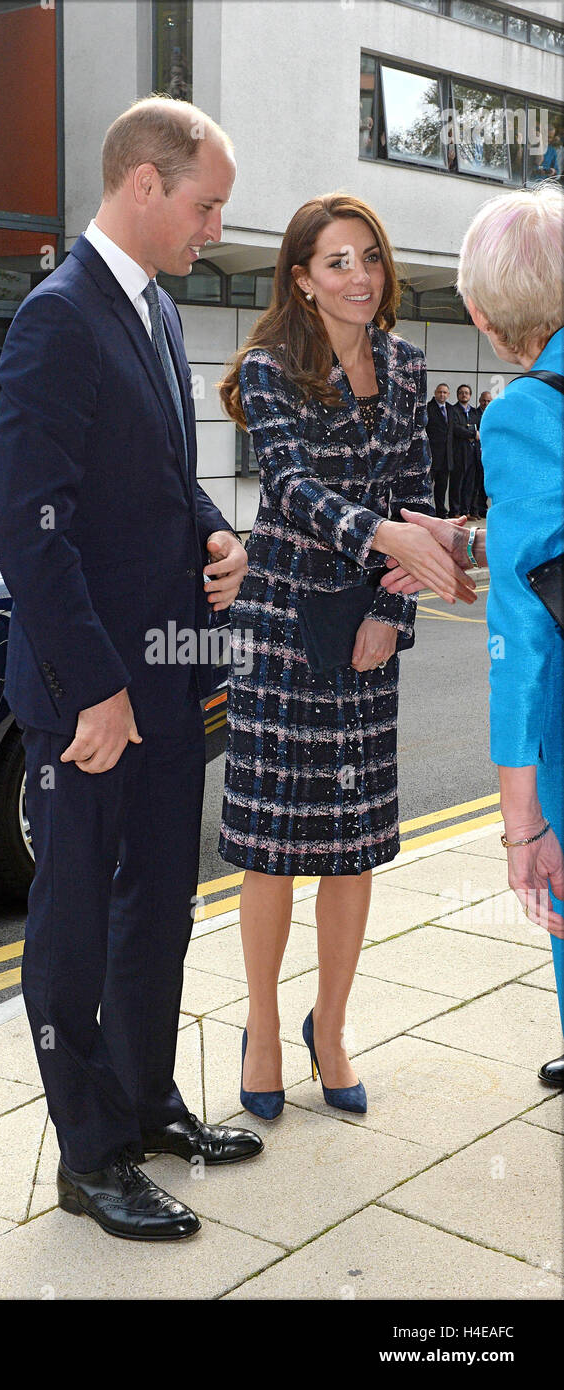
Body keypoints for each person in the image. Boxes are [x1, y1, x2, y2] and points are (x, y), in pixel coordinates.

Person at [0, 96, 262, 1244]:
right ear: (144, 185)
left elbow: (156, 474)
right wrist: (95, 686)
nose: (211, 230)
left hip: (163, 681)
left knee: (162, 906)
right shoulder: (57, 317)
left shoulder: (147, 313)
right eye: (206, 207)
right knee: (73, 931)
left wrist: (219, 536)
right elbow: (28, 527)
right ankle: (90, 1158)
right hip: (91, 699)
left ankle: (147, 1106)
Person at [216, 193, 475, 1121]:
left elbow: (413, 494)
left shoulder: (407, 368)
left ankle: (330, 1027)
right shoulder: (268, 368)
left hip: (366, 630)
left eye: (368, 257)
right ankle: (257, 1023)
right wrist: (390, 543)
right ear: (300, 278)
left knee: (353, 845)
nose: (358, 275)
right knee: (274, 845)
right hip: (281, 626)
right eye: (335, 261)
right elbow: (286, 488)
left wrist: (391, 612)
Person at [381, 183, 564, 1089]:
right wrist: (479, 539)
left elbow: (523, 633)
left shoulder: (525, 410)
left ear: (488, 319)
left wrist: (520, 823)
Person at [449, 382, 479, 517]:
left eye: (466, 393)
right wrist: (472, 434)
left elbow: (478, 429)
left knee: (469, 484)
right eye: (461, 393)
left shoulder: (474, 412)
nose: (464, 395)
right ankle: (455, 511)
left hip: (472, 453)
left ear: (470, 395)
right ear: (457, 395)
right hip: (459, 452)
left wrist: (473, 433)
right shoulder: (453, 410)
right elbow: (456, 429)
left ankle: (465, 512)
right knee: (457, 483)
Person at [426, 381, 453, 517]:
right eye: (439, 392)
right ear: (435, 393)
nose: (442, 394)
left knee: (442, 487)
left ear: (448, 395)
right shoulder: (428, 408)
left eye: (444, 392)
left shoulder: (451, 409)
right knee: (427, 486)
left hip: (446, 457)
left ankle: (441, 511)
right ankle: (428, 511)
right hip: (431, 455)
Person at [471, 389, 492, 518]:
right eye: (483, 400)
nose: (485, 403)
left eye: (488, 401)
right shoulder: (474, 414)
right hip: (475, 452)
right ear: (479, 401)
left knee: (485, 483)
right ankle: (475, 509)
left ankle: (483, 509)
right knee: (476, 483)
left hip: (489, 453)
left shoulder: (494, 414)